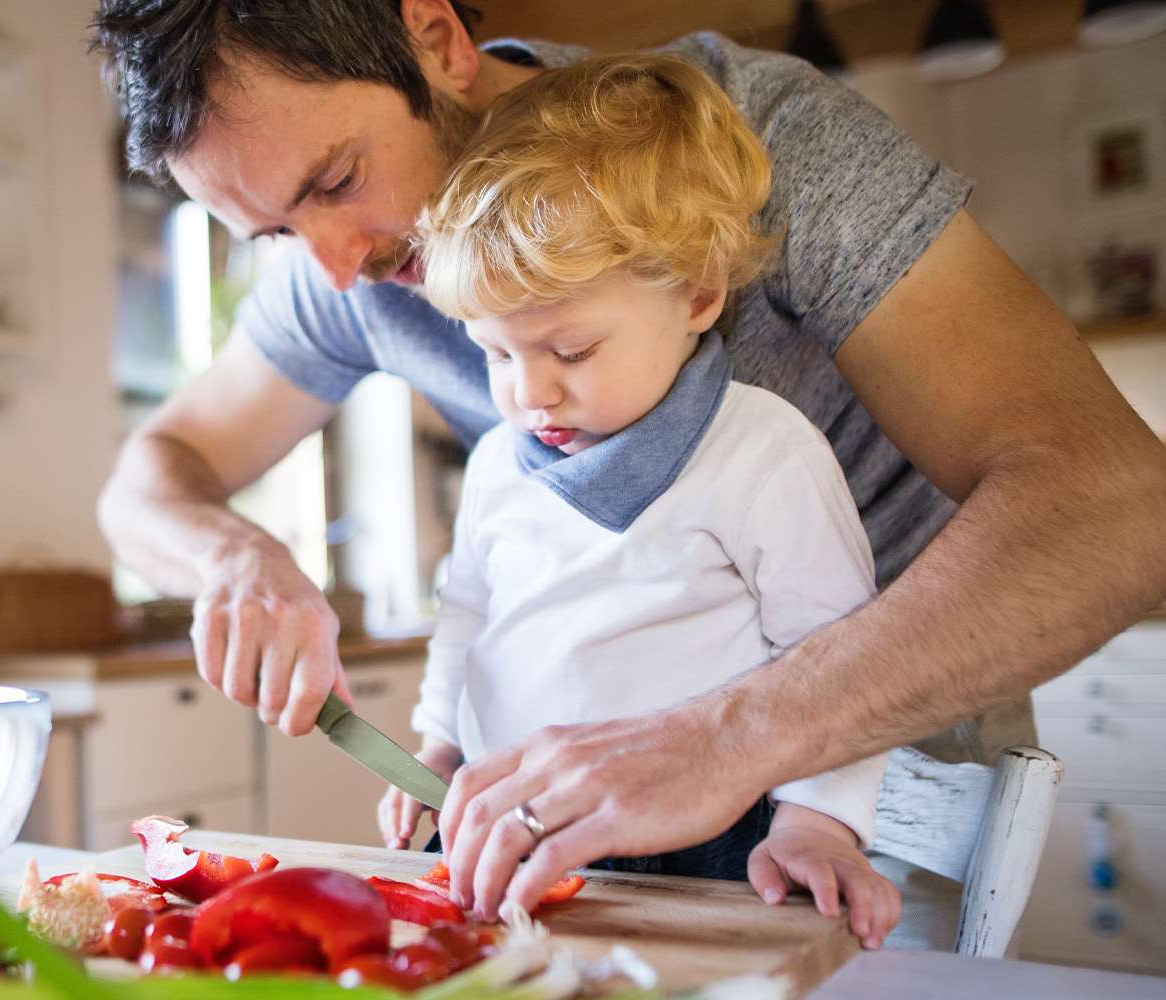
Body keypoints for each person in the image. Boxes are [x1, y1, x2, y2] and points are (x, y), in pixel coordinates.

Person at [89, 0, 1166, 945]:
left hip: (863, 766)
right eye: (272, 235)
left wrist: (726, 738)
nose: (334, 274)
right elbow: (149, 478)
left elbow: (1121, 511)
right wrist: (231, 556)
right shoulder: (343, 259)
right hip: (587, 801)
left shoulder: (758, 145)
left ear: (433, 36)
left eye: (335, 178)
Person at [382, 52, 898, 946]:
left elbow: (840, 657)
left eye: (570, 351)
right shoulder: (504, 464)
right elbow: (466, 613)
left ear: (698, 295)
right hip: (519, 824)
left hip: (712, 844)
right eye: (497, 355)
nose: (529, 394)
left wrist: (817, 823)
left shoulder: (763, 452)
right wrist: (438, 742)